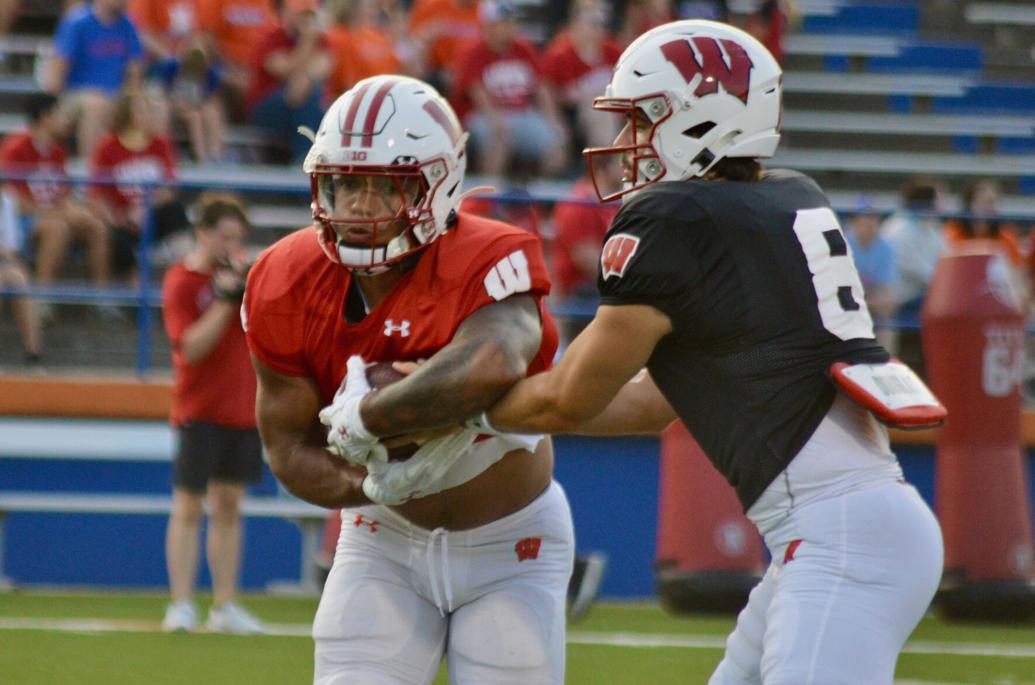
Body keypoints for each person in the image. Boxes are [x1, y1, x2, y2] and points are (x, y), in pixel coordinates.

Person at [380, 21, 943, 684]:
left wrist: (461, 405)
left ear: (701, 120)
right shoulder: (784, 198)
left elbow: (570, 395)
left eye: (640, 120)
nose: (622, 144)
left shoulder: (675, 219)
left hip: (839, 538)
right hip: (850, 528)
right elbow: (649, 402)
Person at [243, 74, 573, 683]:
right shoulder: (283, 278)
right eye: (345, 186)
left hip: (511, 543)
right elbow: (285, 447)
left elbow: (491, 362)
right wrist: (373, 487)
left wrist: (370, 417)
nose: (360, 207)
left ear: (440, 184)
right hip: (383, 540)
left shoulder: (491, 254)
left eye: (384, 187)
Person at [160, 193, 265, 634]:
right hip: (199, 409)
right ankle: (181, 603)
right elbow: (191, 348)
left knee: (229, 508)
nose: (232, 246)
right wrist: (224, 300)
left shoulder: (248, 279)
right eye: (225, 237)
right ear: (202, 234)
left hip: (242, 409)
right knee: (188, 506)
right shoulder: (182, 282)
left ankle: (225, 604)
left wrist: (245, 292)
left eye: (238, 238)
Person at [0, 93, 110, 307]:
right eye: (60, 114)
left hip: (52, 214)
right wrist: (63, 213)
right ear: (45, 116)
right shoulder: (15, 148)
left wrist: (76, 211)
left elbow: (64, 195)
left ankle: (102, 299)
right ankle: (41, 299)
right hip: (21, 221)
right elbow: (15, 203)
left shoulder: (58, 151)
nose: (66, 120)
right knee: (57, 228)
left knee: (95, 226)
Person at [89, 88, 189, 279]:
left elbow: (169, 186)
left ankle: (182, 275)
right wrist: (120, 219)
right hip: (121, 218)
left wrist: (144, 207)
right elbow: (97, 194)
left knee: (176, 212)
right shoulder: (107, 147)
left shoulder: (160, 143)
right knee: (118, 242)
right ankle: (137, 299)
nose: (148, 116)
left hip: (152, 213)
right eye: (142, 111)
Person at [45, 0, 144, 160]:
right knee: (97, 105)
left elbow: (134, 68)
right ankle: (92, 170)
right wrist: (54, 104)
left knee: (155, 105)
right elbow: (58, 67)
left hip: (116, 95)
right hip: (76, 94)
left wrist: (135, 98)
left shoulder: (128, 25)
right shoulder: (77, 22)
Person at [244, 0, 330, 163]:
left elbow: (324, 65)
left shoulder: (321, 40)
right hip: (266, 108)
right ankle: (304, 159)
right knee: (309, 96)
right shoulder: (271, 36)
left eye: (309, 14)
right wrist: (307, 41)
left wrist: (306, 78)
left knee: (319, 104)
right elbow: (284, 69)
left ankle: (310, 159)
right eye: (301, 13)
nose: (305, 19)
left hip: (302, 106)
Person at [843, 195, 898, 351]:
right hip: (845, 302)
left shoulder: (886, 247)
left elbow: (887, 294)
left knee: (886, 322)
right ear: (853, 222)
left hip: (870, 301)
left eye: (873, 219)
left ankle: (886, 365)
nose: (869, 224)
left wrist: (872, 302)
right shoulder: (842, 244)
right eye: (863, 219)